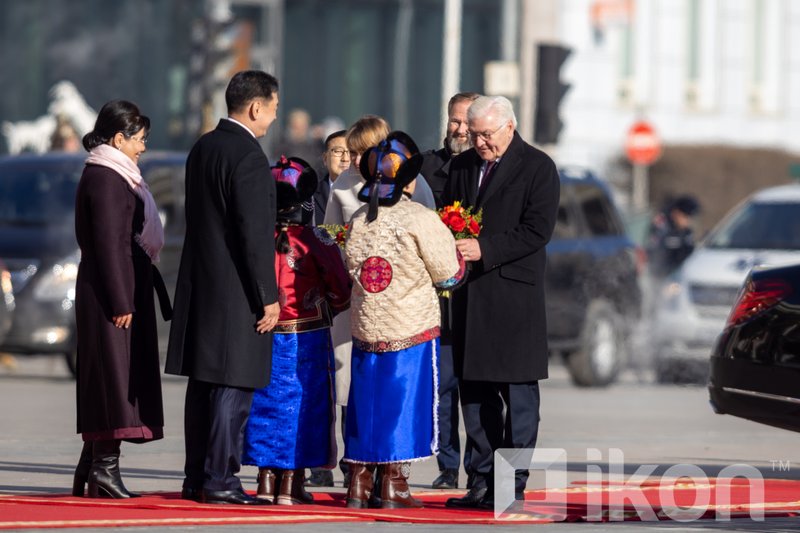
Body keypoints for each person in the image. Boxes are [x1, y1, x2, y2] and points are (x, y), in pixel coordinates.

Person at [165, 70, 280, 506]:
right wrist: (267, 295)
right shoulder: (248, 155)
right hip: (236, 292)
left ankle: (196, 476)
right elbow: (253, 234)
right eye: (271, 107)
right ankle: (221, 479)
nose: (272, 117)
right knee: (233, 385)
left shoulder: (204, 147)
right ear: (255, 107)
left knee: (205, 384)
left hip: (203, 285)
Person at [443, 96, 560, 510]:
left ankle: (511, 485)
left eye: (486, 134)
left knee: (519, 398)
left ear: (509, 127)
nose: (478, 142)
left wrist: (484, 248)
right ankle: (481, 482)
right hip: (470, 296)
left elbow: (537, 230)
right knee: (474, 397)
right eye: (473, 134)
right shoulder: (460, 167)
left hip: (513, 297)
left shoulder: (538, 167)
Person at [343, 131, 465, 509]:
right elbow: (447, 273)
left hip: (367, 326)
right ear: (409, 177)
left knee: (366, 402)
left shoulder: (360, 217)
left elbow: (351, 266)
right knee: (403, 403)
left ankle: (359, 483)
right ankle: (393, 484)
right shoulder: (420, 218)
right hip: (410, 326)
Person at [322, 115, 435, 489]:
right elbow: (327, 237)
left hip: (397, 301)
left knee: (391, 388)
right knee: (354, 385)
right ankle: (358, 468)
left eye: (359, 152)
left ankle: (386, 470)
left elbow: (428, 233)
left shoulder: (413, 186)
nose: (352, 160)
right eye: (348, 153)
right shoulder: (342, 186)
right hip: (357, 298)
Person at [242, 156, 351, 505]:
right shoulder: (316, 237)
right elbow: (341, 287)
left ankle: (264, 478)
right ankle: (292, 482)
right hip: (307, 333)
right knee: (306, 405)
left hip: (264, 333)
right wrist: (327, 304)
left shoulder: (256, 236)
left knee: (265, 405)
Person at [72, 100, 165, 499]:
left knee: (109, 378)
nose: (142, 148)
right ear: (119, 138)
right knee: (113, 379)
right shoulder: (108, 177)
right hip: (111, 294)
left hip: (114, 288)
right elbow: (109, 244)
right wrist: (122, 300)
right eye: (139, 140)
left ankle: (90, 470)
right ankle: (104, 471)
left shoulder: (111, 173)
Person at [420, 91, 479, 491]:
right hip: (434, 297)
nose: (458, 129)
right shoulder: (426, 167)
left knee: (475, 388)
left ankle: (480, 468)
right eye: (453, 121)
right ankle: (447, 466)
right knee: (441, 388)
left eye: (465, 123)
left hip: (476, 295)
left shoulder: (487, 169)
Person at [646, 195, 700, 279]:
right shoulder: (661, 225)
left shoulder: (686, 231)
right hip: (661, 274)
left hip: (679, 273)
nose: (688, 221)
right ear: (676, 213)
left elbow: (689, 251)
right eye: (685, 217)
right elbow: (654, 254)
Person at [311, 129, 350, 225]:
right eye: (338, 151)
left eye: (351, 152)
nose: (345, 158)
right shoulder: (310, 196)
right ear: (325, 159)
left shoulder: (368, 195)